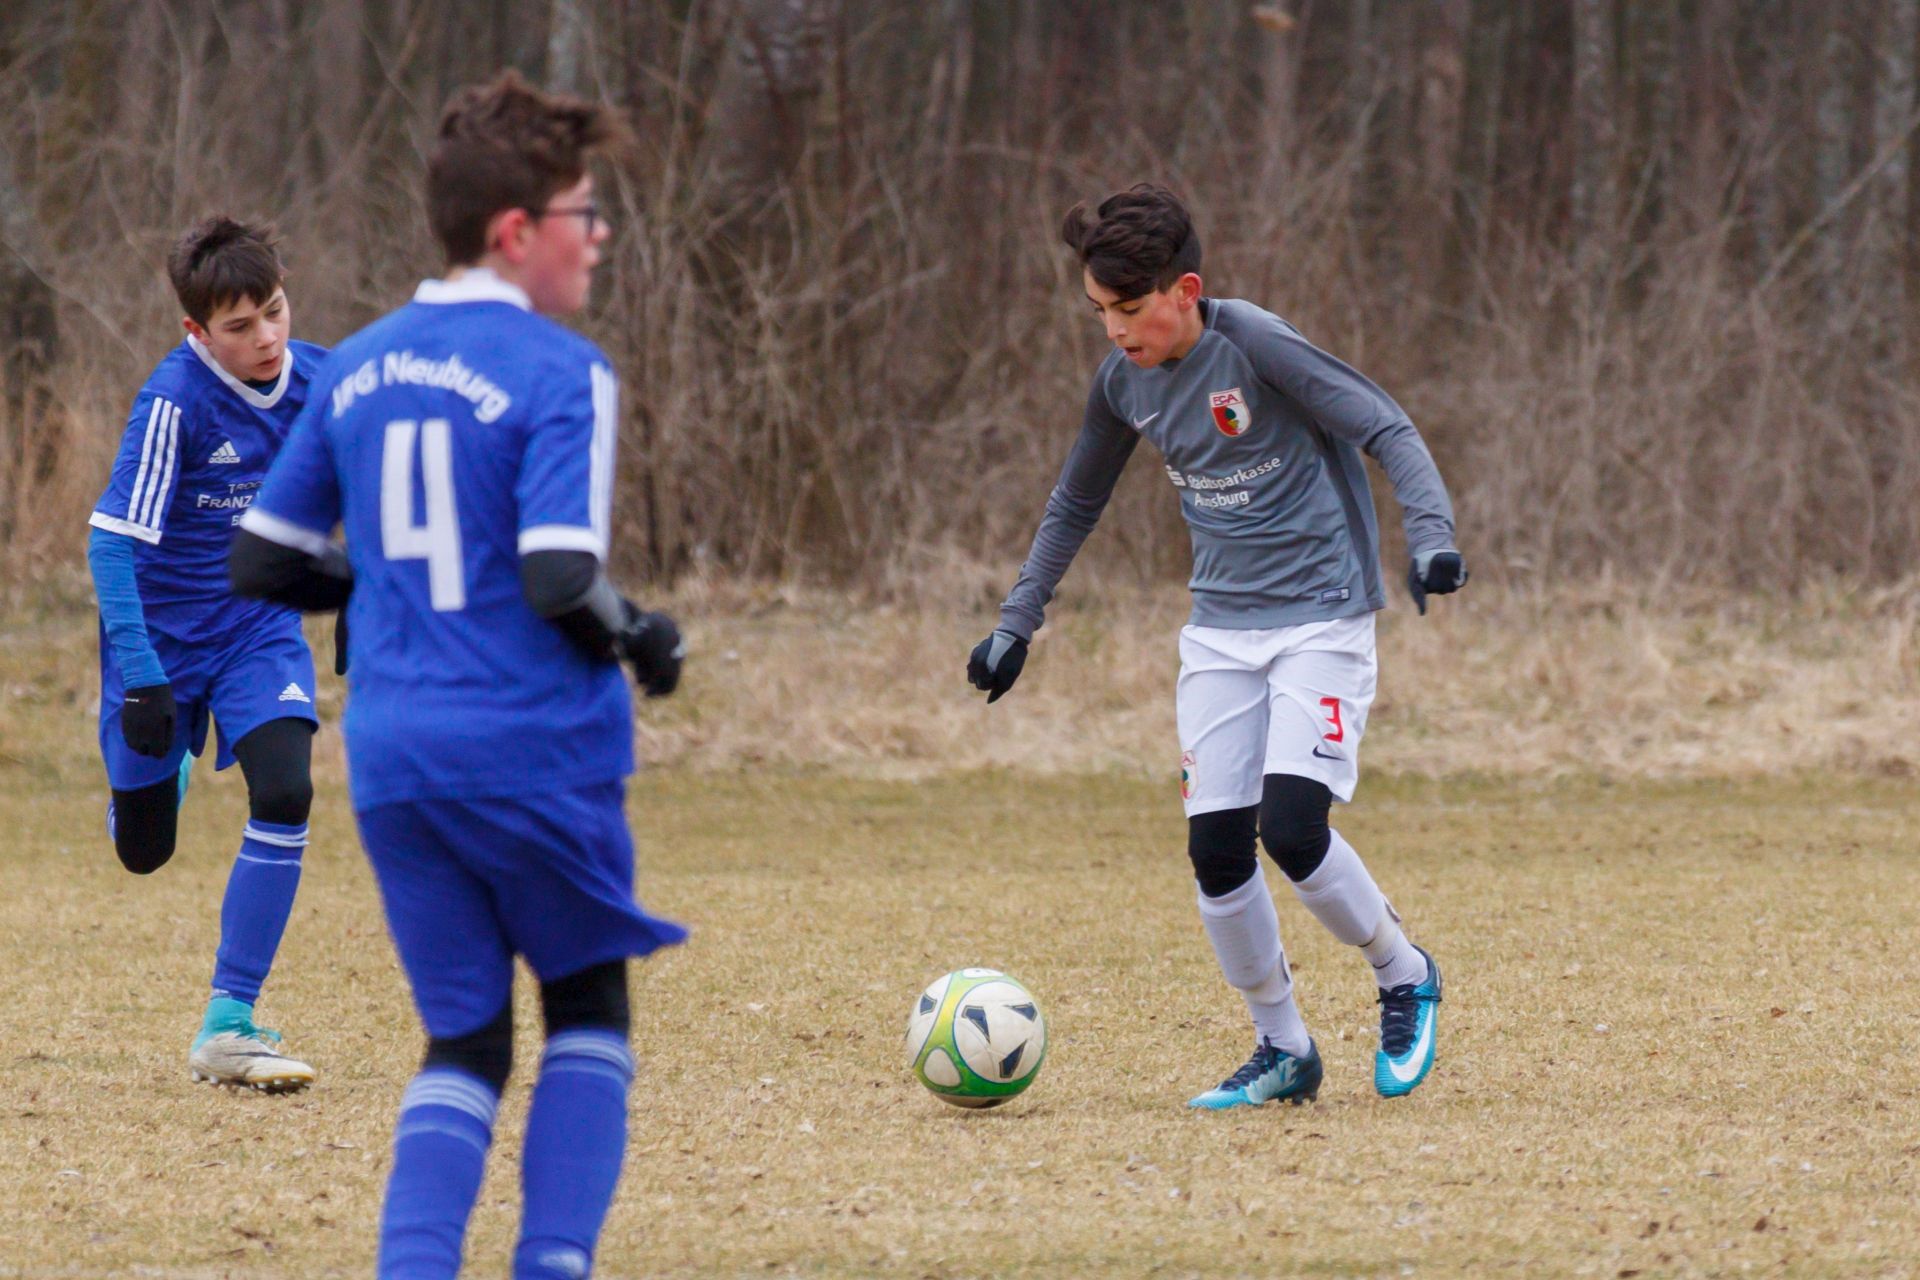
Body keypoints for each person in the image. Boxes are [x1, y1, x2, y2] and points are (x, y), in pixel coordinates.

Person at [229, 71, 686, 1280]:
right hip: (533, 748)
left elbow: (263, 557)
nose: (597, 238)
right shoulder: (559, 369)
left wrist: (379, 588)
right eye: (584, 214)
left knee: (464, 1040)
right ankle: (551, 1263)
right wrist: (641, 635)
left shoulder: (357, 369)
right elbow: (554, 577)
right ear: (516, 232)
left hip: (395, 759)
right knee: (587, 1016)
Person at [968, 185, 1466, 1109]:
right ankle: (1284, 1047)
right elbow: (1076, 503)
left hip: (1321, 616)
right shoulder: (1121, 385)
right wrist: (1015, 622)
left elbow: (1386, 426)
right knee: (1217, 853)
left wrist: (1430, 535)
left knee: (1291, 828)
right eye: (1098, 312)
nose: (1114, 331)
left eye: (1128, 309)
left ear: (1184, 289)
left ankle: (1404, 973)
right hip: (1220, 636)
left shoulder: (1256, 345)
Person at [87, 216, 334, 1093]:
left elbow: (375, 480)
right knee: (143, 851)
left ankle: (230, 1022)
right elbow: (111, 545)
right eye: (239, 326)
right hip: (156, 644)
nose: (266, 338)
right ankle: (158, 775)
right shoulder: (173, 403)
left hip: (257, 628)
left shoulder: (323, 382)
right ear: (197, 332)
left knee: (287, 787)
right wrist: (143, 679)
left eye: (273, 311)